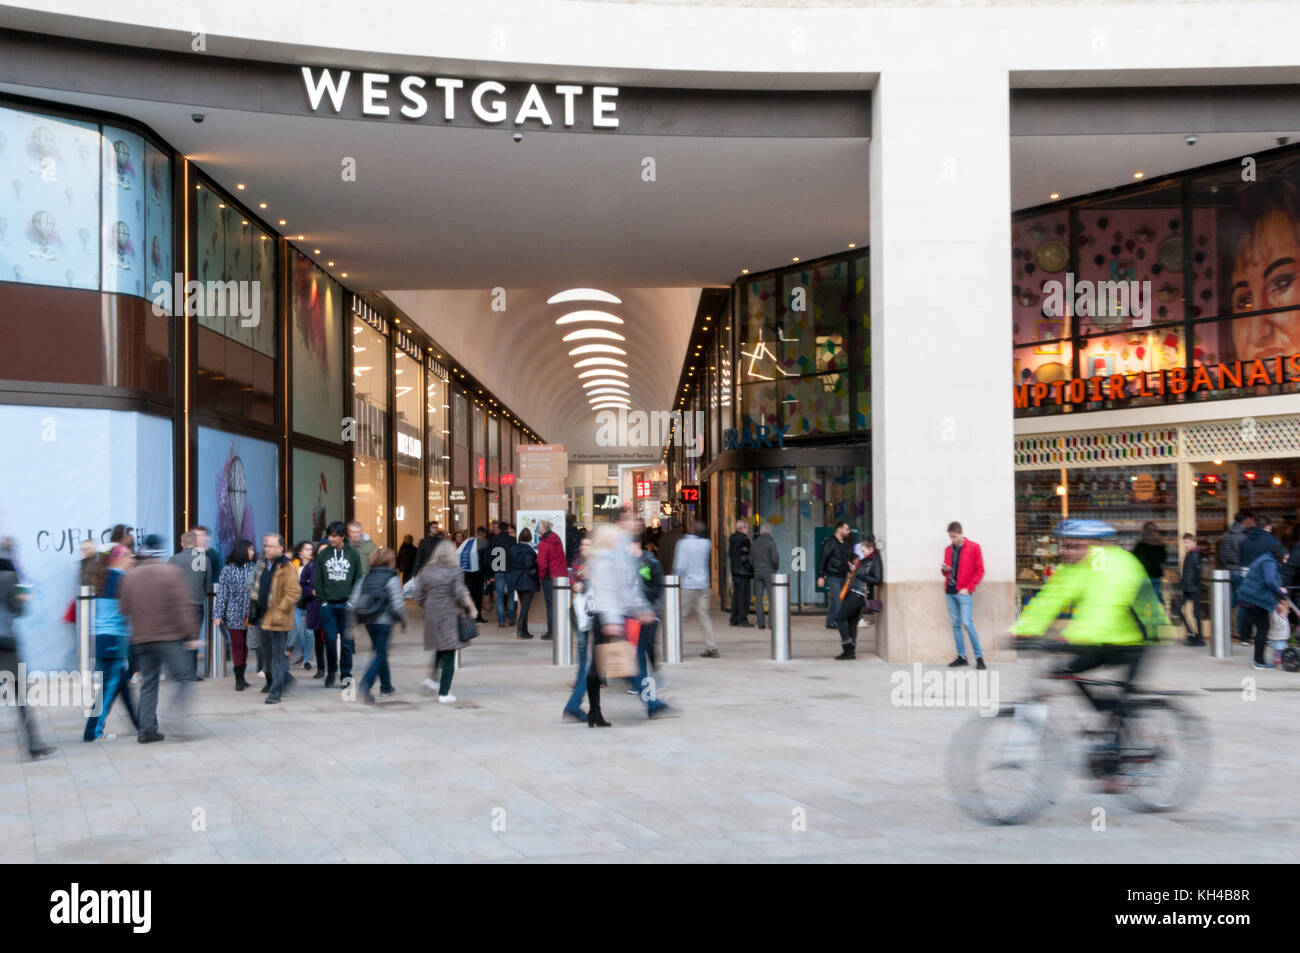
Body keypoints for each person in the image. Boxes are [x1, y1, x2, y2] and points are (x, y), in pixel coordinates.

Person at [1009, 519, 1169, 791]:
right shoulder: (1074, 569)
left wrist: (1071, 637)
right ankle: (1106, 719)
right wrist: (1022, 631)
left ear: (1095, 545)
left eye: (1074, 545)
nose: (1066, 551)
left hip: (1140, 638)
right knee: (1062, 671)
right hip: (1105, 639)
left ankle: (1119, 765)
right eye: (1064, 545)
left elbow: (1104, 607)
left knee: (1122, 697)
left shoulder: (1116, 564)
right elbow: (1050, 597)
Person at [120, 536, 197, 744]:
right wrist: (191, 635)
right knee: (184, 677)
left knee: (148, 683)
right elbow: (183, 607)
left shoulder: (131, 576)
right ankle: (173, 716)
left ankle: (146, 730)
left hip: (142, 639)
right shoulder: (171, 573)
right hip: (169, 637)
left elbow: (124, 608)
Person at [0, 540, 55, 759]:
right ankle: (34, 744)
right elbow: (18, 610)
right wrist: (21, 599)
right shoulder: (10, 578)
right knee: (21, 696)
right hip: (5, 644)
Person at [83, 545, 140, 742]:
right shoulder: (120, 579)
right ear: (117, 558)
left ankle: (140, 723)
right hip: (114, 640)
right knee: (108, 689)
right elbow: (128, 610)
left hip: (103, 639)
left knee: (119, 684)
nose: (131, 558)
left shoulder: (103, 578)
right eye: (127, 555)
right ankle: (93, 731)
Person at [413, 540, 475, 704]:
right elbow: (459, 594)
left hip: (432, 614)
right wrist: (465, 607)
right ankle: (444, 692)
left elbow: (418, 595)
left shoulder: (426, 571)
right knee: (449, 653)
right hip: (449, 614)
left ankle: (432, 679)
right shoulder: (455, 571)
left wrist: (428, 605)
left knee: (440, 647)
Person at [349, 547, 407, 704]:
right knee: (380, 654)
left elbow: (353, 601)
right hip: (385, 620)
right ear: (390, 561)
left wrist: (353, 621)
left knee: (379, 651)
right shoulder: (391, 578)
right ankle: (365, 686)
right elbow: (398, 603)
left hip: (369, 620)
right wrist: (403, 620)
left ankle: (386, 686)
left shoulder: (366, 578)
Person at [249, 534, 301, 704]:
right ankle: (277, 681)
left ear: (281, 548)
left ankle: (276, 691)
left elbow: (293, 593)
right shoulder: (263, 565)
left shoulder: (287, 568)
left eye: (271, 546)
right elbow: (256, 587)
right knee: (266, 654)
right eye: (265, 546)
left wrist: (280, 610)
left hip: (278, 617)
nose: (267, 549)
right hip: (262, 615)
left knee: (277, 655)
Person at [313, 521, 361, 687]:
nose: (331, 539)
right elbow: (318, 579)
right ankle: (331, 670)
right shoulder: (323, 555)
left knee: (347, 643)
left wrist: (352, 601)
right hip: (329, 606)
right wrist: (323, 601)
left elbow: (358, 578)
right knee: (331, 640)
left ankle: (346, 675)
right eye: (329, 535)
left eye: (334, 536)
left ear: (342, 536)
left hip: (347, 604)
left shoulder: (353, 554)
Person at [212, 539, 257, 691]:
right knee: (237, 645)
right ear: (243, 551)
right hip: (233, 613)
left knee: (246, 645)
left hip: (250, 613)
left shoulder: (253, 568)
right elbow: (222, 594)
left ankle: (242, 675)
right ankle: (239, 678)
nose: (253, 552)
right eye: (250, 550)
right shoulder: (227, 570)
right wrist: (217, 614)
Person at [942, 521, 986, 669]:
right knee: (955, 625)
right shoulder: (948, 549)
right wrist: (945, 569)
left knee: (967, 623)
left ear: (961, 533)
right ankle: (962, 656)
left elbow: (980, 570)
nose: (952, 540)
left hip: (964, 592)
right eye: (950, 537)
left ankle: (979, 658)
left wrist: (969, 588)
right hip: (950, 591)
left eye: (954, 536)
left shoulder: (974, 547)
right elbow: (945, 572)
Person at [168, 531, 212, 682]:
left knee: (179, 639)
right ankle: (191, 674)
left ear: (181, 544)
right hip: (196, 604)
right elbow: (207, 585)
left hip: (176, 606)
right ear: (195, 544)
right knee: (193, 638)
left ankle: (178, 673)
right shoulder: (204, 560)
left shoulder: (173, 560)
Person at [1239, 546, 1289, 671]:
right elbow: (1270, 581)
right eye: (1285, 558)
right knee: (1263, 628)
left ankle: (1258, 659)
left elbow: (1266, 584)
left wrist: (1277, 603)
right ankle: (1258, 661)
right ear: (1279, 556)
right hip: (1253, 600)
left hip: (1250, 598)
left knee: (1262, 628)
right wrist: (1280, 590)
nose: (1285, 561)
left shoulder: (1267, 560)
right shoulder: (1269, 563)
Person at [835, 535, 882, 661]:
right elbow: (861, 574)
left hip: (858, 595)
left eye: (864, 550)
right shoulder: (866, 560)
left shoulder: (874, 561)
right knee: (851, 624)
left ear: (871, 549)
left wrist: (861, 576)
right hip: (854, 593)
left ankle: (848, 644)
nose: (862, 553)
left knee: (840, 618)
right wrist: (854, 570)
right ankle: (849, 653)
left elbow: (877, 579)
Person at [676, 520, 718, 657]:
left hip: (688, 585)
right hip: (703, 585)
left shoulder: (684, 544)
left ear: (692, 529)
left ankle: (675, 647)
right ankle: (712, 647)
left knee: (680, 617)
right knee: (705, 617)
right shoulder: (707, 544)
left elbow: (680, 566)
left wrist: (675, 579)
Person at [562, 536, 593, 722]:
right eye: (582, 544)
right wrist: (575, 584)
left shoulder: (599, 562)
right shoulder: (577, 561)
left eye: (588, 544)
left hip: (595, 613)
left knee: (593, 658)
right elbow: (571, 577)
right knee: (584, 651)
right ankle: (575, 703)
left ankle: (575, 703)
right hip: (581, 613)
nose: (584, 547)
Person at [1219, 511, 1252, 641]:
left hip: (1228, 570)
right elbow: (1246, 555)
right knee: (1242, 601)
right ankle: (1239, 630)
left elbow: (1222, 555)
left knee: (1231, 600)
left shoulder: (1226, 535)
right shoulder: (1244, 536)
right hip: (1240, 570)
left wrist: (1228, 564)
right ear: (1244, 521)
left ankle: (1225, 627)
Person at [817, 521, 852, 631]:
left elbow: (846, 558)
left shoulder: (845, 543)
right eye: (846, 529)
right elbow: (823, 558)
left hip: (843, 574)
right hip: (833, 575)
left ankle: (830, 621)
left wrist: (850, 566)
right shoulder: (830, 542)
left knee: (834, 600)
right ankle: (840, 622)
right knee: (838, 600)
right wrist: (821, 576)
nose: (848, 531)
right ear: (839, 529)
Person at [536, 519, 567, 641]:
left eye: (539, 527)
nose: (538, 529)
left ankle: (551, 631)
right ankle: (561, 629)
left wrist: (541, 576)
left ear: (543, 529)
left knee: (550, 605)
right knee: (559, 604)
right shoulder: (556, 538)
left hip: (549, 577)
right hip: (561, 576)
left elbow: (542, 564)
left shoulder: (544, 544)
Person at [507, 528, 540, 639]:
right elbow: (529, 564)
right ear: (530, 537)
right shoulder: (528, 550)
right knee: (525, 607)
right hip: (527, 580)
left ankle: (524, 630)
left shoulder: (513, 548)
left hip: (516, 579)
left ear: (520, 537)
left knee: (523, 606)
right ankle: (520, 631)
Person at [1176, 533, 1205, 647]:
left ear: (1194, 542)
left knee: (1196, 613)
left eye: (1187, 542)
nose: (1185, 544)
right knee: (1179, 609)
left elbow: (1198, 571)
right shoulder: (1190, 554)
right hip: (1188, 587)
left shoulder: (1195, 554)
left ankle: (1200, 637)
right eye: (1184, 542)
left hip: (1193, 588)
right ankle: (1192, 633)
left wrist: (1194, 583)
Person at [289, 541, 315, 667]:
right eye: (307, 549)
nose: (309, 551)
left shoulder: (315, 566)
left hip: (311, 602)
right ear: (300, 552)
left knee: (309, 632)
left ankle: (307, 659)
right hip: (297, 603)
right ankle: (302, 654)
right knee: (299, 632)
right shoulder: (294, 566)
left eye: (311, 549)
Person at [750, 522, 780, 629]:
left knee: (759, 599)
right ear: (770, 532)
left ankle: (761, 623)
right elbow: (775, 559)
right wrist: (775, 568)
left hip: (757, 573)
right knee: (772, 599)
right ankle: (772, 624)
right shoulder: (771, 543)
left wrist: (756, 568)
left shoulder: (755, 543)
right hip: (769, 572)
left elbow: (751, 560)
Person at [489, 522, 516, 627]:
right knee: (511, 595)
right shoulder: (512, 541)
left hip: (498, 571)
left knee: (499, 597)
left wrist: (490, 573)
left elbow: (490, 558)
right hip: (510, 571)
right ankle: (511, 618)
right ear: (508, 529)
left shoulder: (494, 541)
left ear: (499, 529)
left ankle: (501, 621)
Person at [727, 520, 753, 626]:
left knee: (736, 595)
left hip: (735, 571)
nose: (748, 529)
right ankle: (742, 619)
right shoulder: (743, 540)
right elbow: (745, 557)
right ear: (741, 528)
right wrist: (750, 568)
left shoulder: (733, 540)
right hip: (743, 572)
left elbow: (731, 555)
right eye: (746, 527)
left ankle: (734, 618)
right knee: (744, 596)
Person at [1268, 599, 1292, 668]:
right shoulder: (1275, 615)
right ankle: (1277, 662)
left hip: (1283, 637)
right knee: (1279, 649)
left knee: (1284, 649)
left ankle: (1282, 660)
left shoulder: (1284, 615)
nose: (1286, 610)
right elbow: (1276, 623)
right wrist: (1279, 613)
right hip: (1277, 637)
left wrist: (1284, 612)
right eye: (1285, 607)